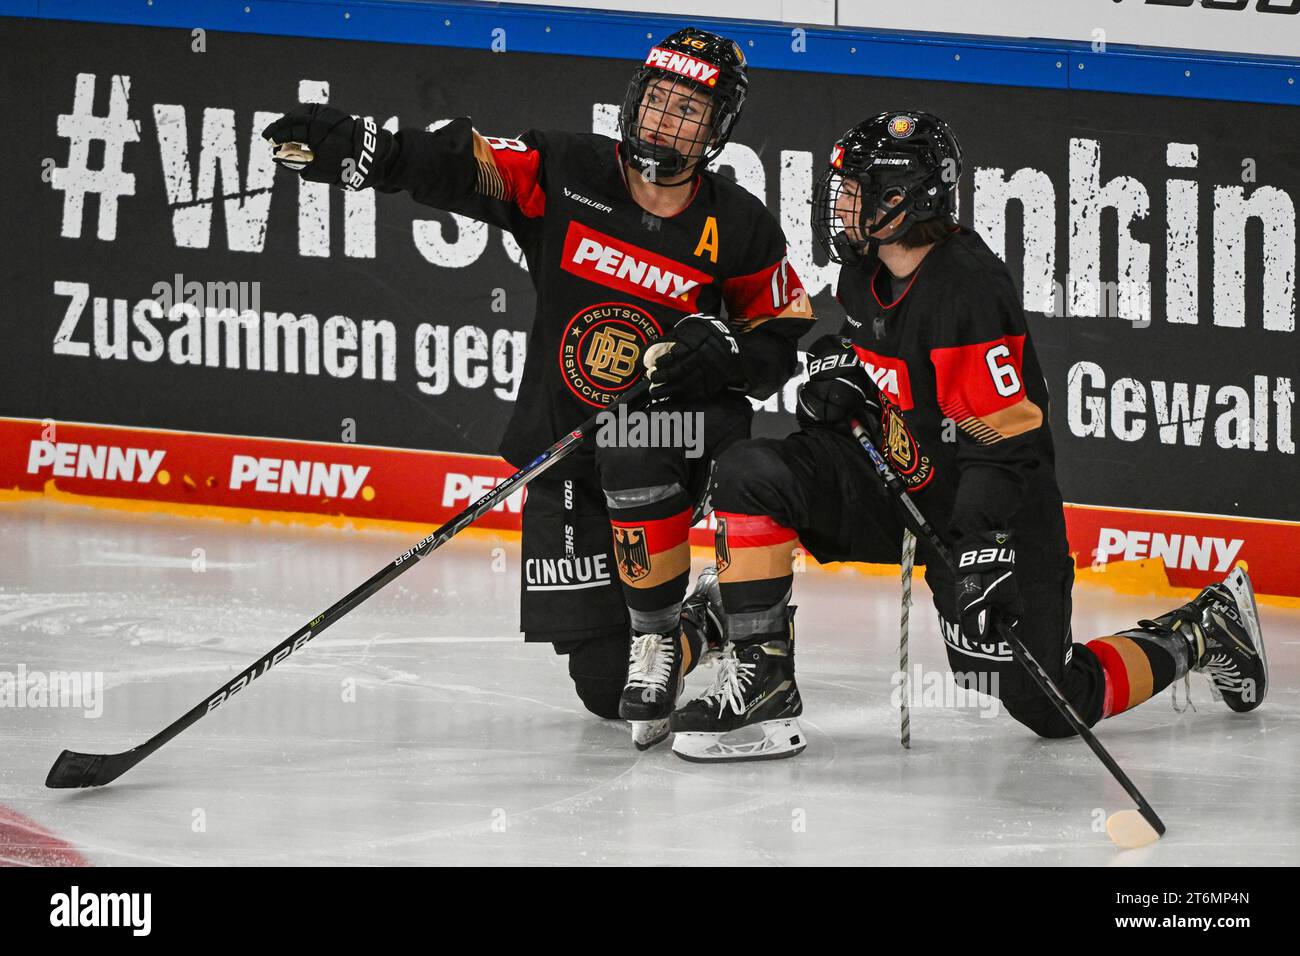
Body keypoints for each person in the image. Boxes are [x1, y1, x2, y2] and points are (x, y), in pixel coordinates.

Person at [262, 28, 814, 746]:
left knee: (636, 442)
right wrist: (380, 154)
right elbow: (468, 166)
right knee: (605, 690)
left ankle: (674, 626)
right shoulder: (566, 169)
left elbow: (780, 334)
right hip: (571, 448)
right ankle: (699, 622)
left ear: (718, 129)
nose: (664, 122)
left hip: (670, 448)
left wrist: (721, 351)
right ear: (633, 101)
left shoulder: (737, 225)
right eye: (657, 101)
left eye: (689, 110)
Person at [668, 110, 1267, 762]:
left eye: (855, 191)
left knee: (1046, 702)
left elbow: (1004, 440)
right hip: (898, 479)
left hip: (990, 507)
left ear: (901, 200)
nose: (839, 205)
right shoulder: (865, 268)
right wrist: (839, 370)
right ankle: (763, 685)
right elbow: (858, 340)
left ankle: (1203, 633)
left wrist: (983, 546)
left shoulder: (968, 291)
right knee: (755, 473)